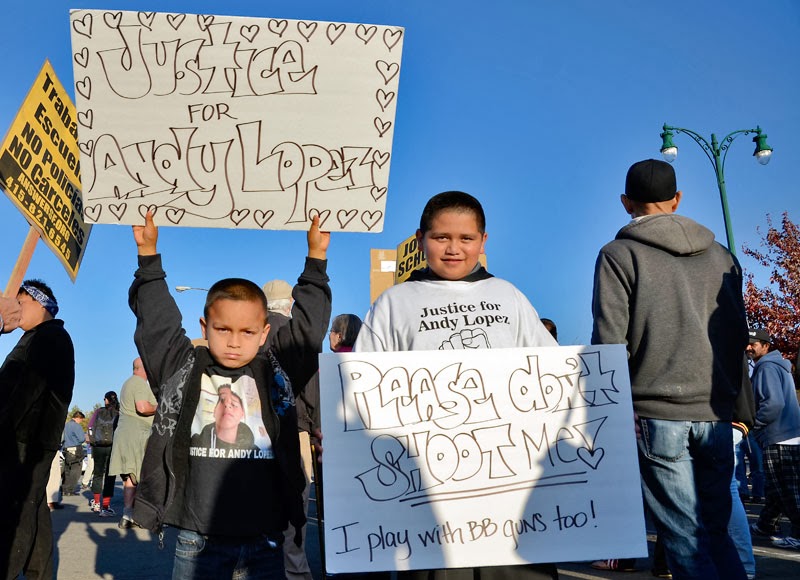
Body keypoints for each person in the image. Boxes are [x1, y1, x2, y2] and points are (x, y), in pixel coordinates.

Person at [355, 190, 559, 580]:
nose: (453, 249)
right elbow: (363, 390)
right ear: (421, 240)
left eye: (466, 239)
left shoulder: (509, 297)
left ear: (483, 241)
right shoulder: (393, 303)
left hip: (509, 487)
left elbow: (551, 376)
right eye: (441, 237)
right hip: (429, 491)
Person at [130, 211, 331, 579]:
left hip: (266, 539)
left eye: (246, 331)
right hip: (198, 540)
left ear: (264, 332)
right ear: (205, 327)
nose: (235, 341)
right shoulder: (183, 366)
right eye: (223, 329)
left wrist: (316, 261)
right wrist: (148, 255)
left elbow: (308, 331)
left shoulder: (276, 371)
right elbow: (157, 325)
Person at [591, 159, 748, 579]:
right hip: (716, 411)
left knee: (683, 535)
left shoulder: (618, 254)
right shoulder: (723, 256)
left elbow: (610, 340)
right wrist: (739, 407)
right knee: (715, 532)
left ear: (626, 202)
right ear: (677, 198)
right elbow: (737, 334)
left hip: (656, 410)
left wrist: (612, 408)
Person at [0, 279, 75, 580]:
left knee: (15, 509)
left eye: (20, 303)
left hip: (25, 437)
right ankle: (39, 574)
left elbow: (27, 390)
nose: (14, 311)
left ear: (40, 303)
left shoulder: (48, 337)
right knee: (34, 508)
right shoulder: (38, 337)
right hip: (29, 436)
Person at [264, 278, 319, 580]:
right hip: (295, 430)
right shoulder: (297, 336)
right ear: (290, 305)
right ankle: (295, 571)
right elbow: (311, 388)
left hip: (258, 431)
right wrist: (314, 427)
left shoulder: (256, 334)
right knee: (295, 509)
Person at [746, 327, 800, 549]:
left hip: (778, 436)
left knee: (787, 490)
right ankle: (766, 525)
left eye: (754, 343)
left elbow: (773, 403)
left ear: (766, 346)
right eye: (747, 343)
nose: (749, 347)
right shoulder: (779, 366)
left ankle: (798, 536)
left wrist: (754, 424)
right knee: (776, 487)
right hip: (789, 434)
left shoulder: (766, 367)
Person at [110, 356, 157, 529]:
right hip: (136, 434)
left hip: (124, 434)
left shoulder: (127, 383)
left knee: (130, 478)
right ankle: (144, 516)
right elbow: (143, 407)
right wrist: (159, 407)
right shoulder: (138, 383)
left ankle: (128, 515)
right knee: (143, 476)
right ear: (142, 368)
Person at [87, 391, 120, 516]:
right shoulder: (119, 413)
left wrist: (92, 442)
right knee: (110, 476)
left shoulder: (98, 412)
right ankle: (106, 507)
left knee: (98, 474)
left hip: (98, 447)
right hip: (113, 447)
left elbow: (90, 427)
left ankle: (96, 504)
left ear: (106, 400)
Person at [61, 410, 86, 496]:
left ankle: (64, 489)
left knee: (67, 471)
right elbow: (82, 439)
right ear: (78, 418)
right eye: (81, 420)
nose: (81, 421)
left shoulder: (66, 425)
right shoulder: (76, 426)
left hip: (66, 450)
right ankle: (70, 490)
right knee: (76, 471)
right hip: (76, 450)